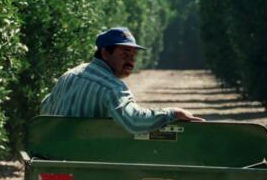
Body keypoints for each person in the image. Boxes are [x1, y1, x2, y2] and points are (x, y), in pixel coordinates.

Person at [40, 27, 203, 133]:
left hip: (53, 157)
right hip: (87, 161)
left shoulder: (69, 75)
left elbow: (45, 108)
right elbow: (134, 121)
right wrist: (172, 113)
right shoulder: (112, 87)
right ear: (105, 53)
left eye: (133, 56)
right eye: (125, 54)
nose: (131, 61)